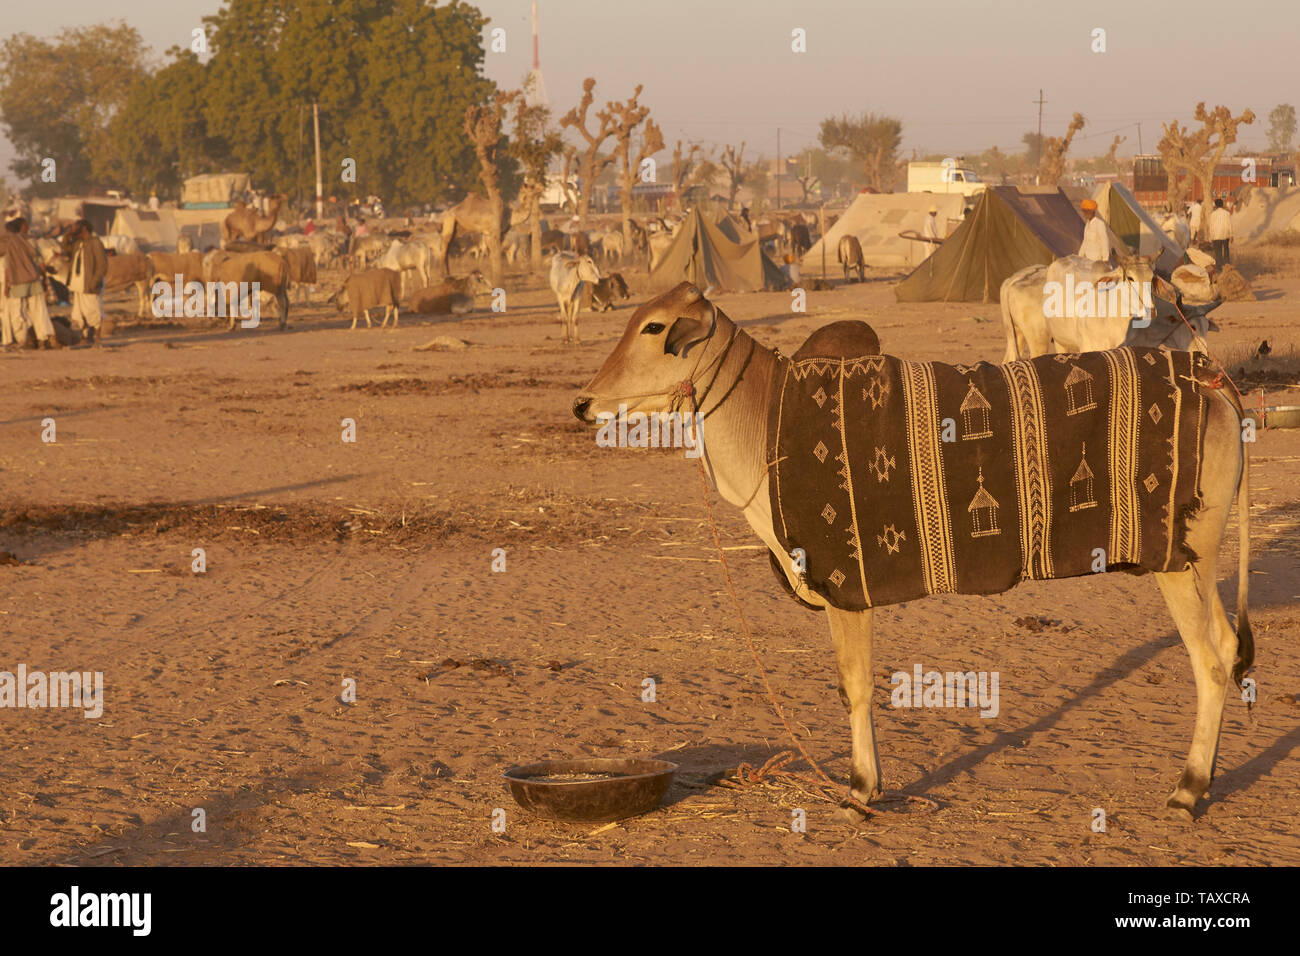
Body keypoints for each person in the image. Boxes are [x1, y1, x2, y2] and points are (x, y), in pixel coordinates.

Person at [0, 213, 59, 349]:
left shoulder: (6, 242)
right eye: (26, 225)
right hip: (33, 280)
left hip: (17, 282)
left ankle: (22, 340)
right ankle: (43, 340)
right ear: (20, 227)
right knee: (39, 311)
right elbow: (38, 260)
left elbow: (7, 266)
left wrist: (7, 284)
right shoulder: (30, 240)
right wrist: (45, 275)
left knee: (17, 313)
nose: (28, 228)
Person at [63, 219, 108, 345]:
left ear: (84, 228)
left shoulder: (95, 242)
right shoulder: (78, 243)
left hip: (90, 283)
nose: (74, 229)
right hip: (78, 284)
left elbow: (102, 265)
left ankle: (97, 337)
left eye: (76, 227)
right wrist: (67, 234)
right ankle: (85, 337)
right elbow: (66, 248)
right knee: (80, 312)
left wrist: (95, 281)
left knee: (93, 311)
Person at [1078, 198, 1110, 262]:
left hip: (1097, 261)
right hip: (1087, 260)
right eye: (1084, 211)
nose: (1086, 213)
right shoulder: (1087, 225)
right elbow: (1085, 242)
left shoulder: (1099, 224)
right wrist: (1079, 257)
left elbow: (1104, 241)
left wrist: (1105, 259)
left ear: (1093, 211)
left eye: (1088, 211)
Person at [1208, 197, 1233, 268]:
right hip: (1225, 235)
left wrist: (1210, 237)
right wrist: (1231, 235)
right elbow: (1229, 224)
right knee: (1226, 251)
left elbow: (1211, 226)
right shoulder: (1227, 213)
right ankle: (1227, 266)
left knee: (1218, 252)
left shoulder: (1213, 214)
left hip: (1216, 236)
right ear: (1222, 205)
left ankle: (1219, 267)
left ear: (1215, 205)